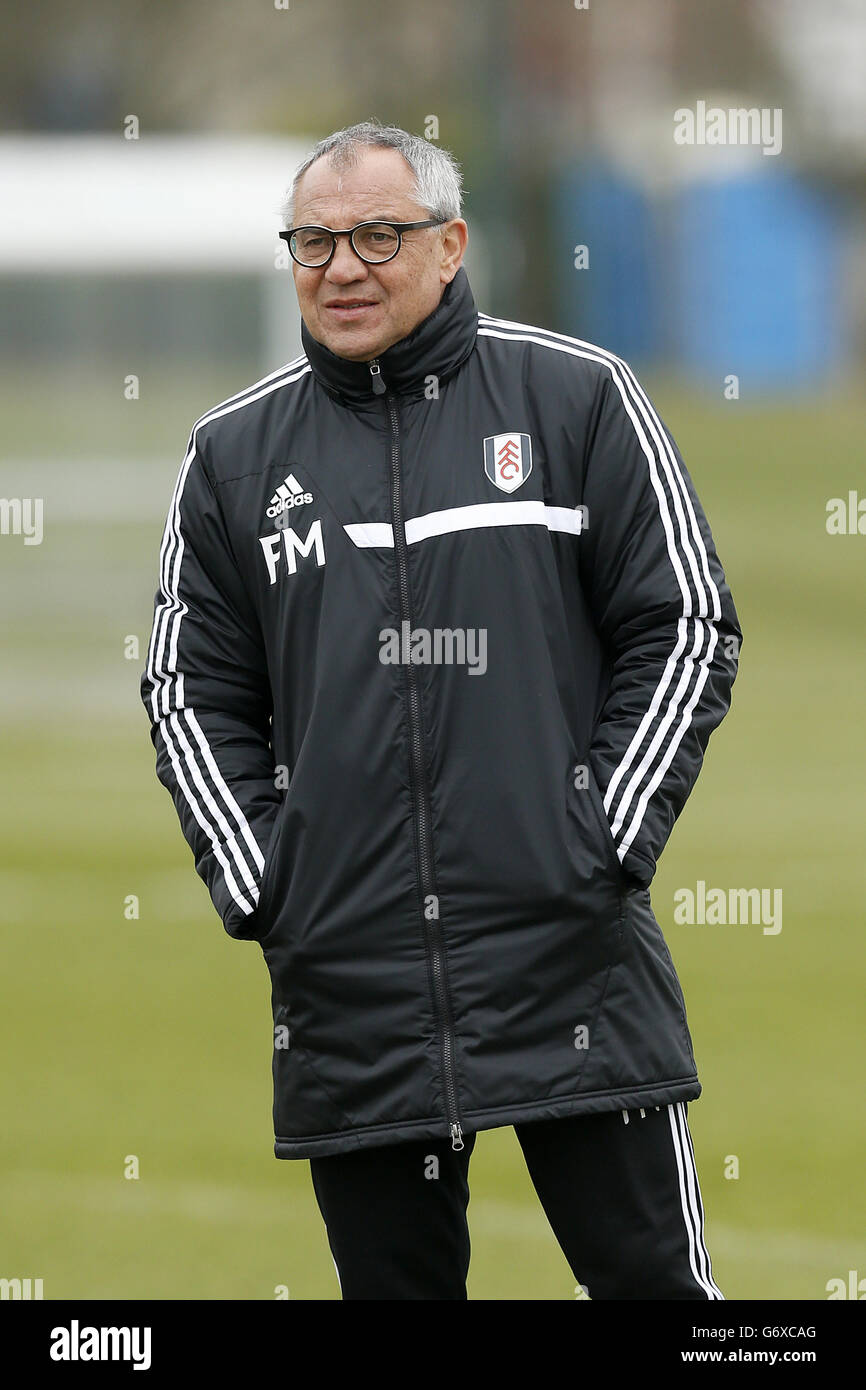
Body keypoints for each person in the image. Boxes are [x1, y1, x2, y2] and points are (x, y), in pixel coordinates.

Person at [141, 120, 741, 1301]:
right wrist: (268, 879)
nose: (341, 266)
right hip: (350, 981)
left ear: (450, 243)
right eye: (312, 241)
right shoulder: (230, 456)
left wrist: (602, 838)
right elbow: (185, 686)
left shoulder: (577, 398)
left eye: (376, 234)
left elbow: (681, 622)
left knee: (661, 1298)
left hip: (570, 961)